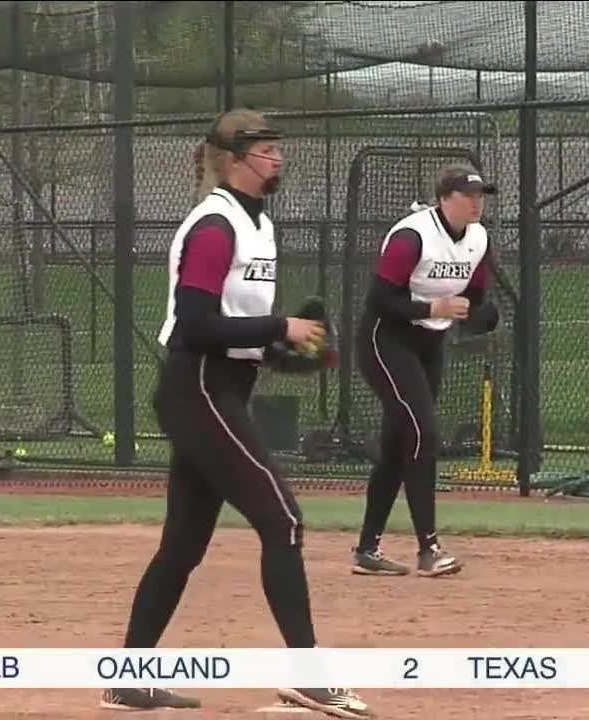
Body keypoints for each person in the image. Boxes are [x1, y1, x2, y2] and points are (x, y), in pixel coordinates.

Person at [101, 108, 373, 720]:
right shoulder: (216, 227)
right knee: (284, 522)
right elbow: (195, 324)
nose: (277, 158)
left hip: (219, 387)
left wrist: (280, 350)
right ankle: (311, 678)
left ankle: (125, 679)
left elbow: (234, 330)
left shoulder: (258, 225)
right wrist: (281, 325)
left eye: (278, 148)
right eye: (264, 149)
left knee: (182, 547)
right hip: (198, 387)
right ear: (231, 159)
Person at [349, 163, 500, 579]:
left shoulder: (478, 239)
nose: (476, 203)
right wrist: (431, 308)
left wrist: (482, 315)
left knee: (401, 445)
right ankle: (428, 549)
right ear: (444, 199)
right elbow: (379, 301)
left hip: (429, 345)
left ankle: (367, 549)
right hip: (387, 341)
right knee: (423, 433)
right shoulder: (412, 236)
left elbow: (474, 298)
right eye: (467, 195)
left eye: (480, 195)